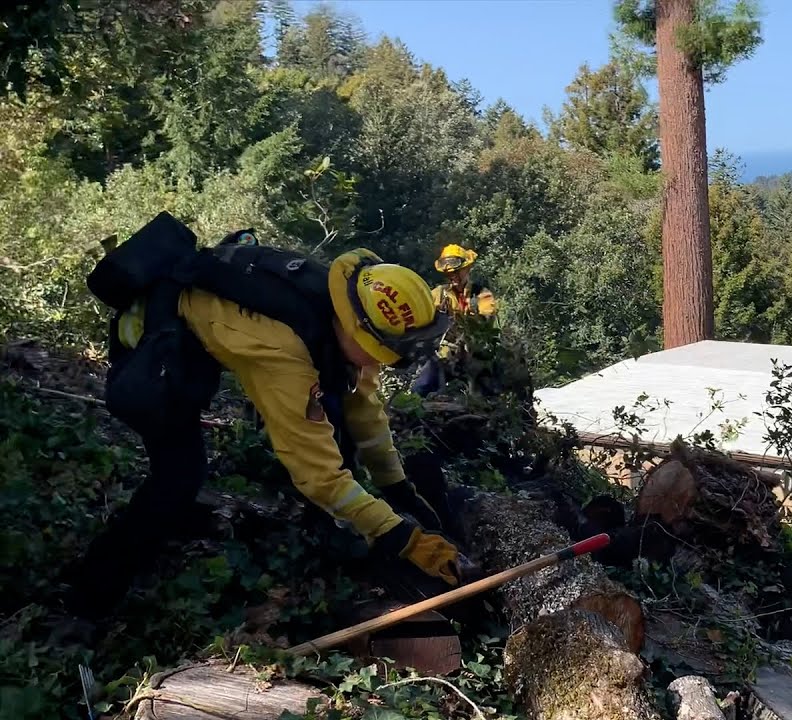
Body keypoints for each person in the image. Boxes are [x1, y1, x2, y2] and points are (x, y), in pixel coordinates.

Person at [54, 214, 474, 645]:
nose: (385, 361)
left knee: (336, 421)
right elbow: (319, 474)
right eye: (386, 352)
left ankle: (331, 535)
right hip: (155, 337)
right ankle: (88, 600)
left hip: (212, 322)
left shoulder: (346, 309)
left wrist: (397, 485)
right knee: (178, 476)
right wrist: (404, 539)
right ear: (359, 331)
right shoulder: (284, 352)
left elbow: (363, 408)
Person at [410, 243, 497, 396]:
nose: (453, 276)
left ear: (467, 268)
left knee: (489, 396)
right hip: (444, 357)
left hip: (476, 358)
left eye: (457, 272)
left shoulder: (481, 294)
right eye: (449, 274)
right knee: (420, 389)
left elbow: (487, 318)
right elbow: (421, 309)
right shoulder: (439, 294)